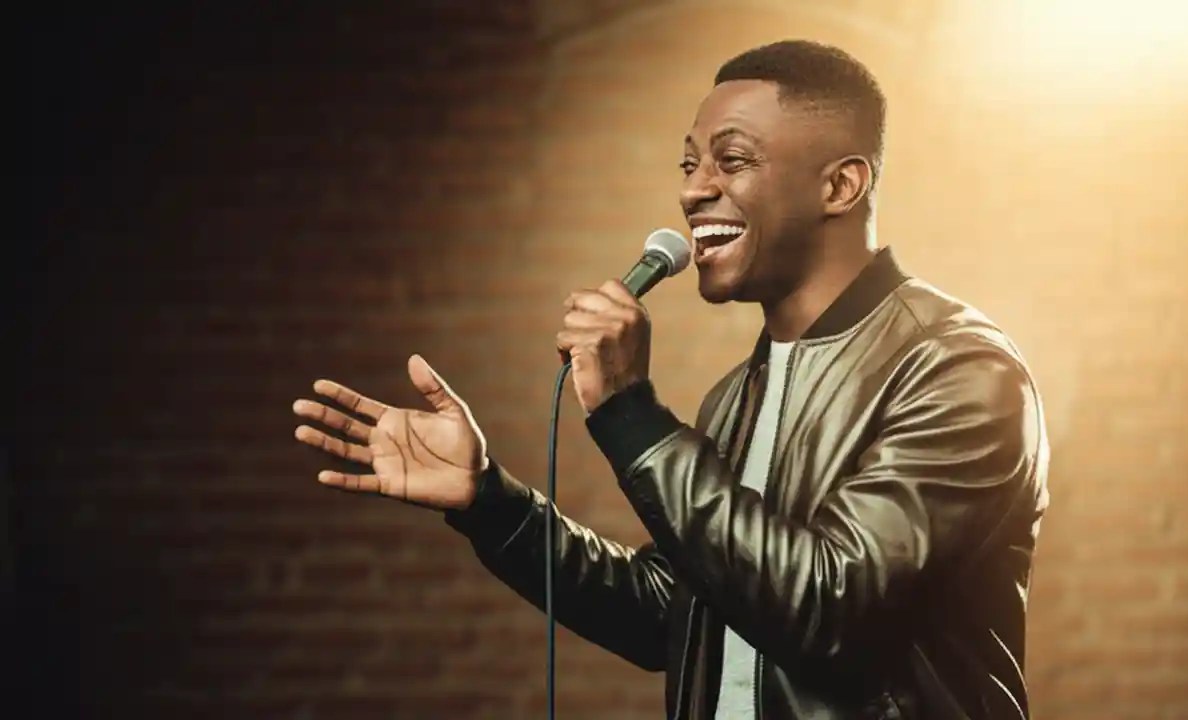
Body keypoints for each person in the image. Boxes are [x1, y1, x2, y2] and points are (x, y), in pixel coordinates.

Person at [292, 40, 1049, 720]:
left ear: (841, 186)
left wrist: (630, 416)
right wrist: (492, 505)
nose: (694, 191)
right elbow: (675, 614)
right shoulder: (736, 395)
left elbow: (830, 607)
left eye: (734, 159)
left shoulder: (961, 371)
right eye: (690, 164)